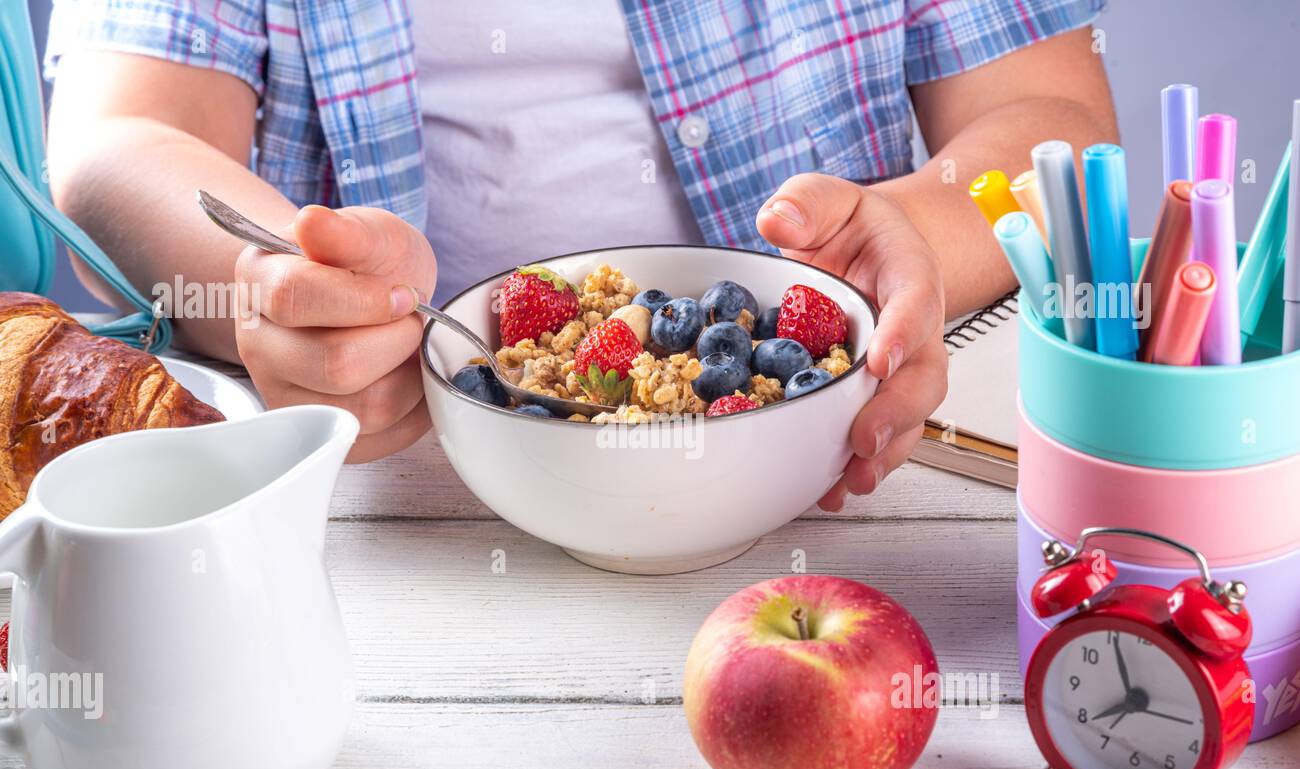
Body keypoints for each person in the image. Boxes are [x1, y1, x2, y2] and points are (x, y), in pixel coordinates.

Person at [43, 0, 1115, 505]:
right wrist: (270, 285)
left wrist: (923, 224)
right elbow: (118, 147)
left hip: (836, 477)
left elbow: (1041, 129)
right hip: (396, 501)